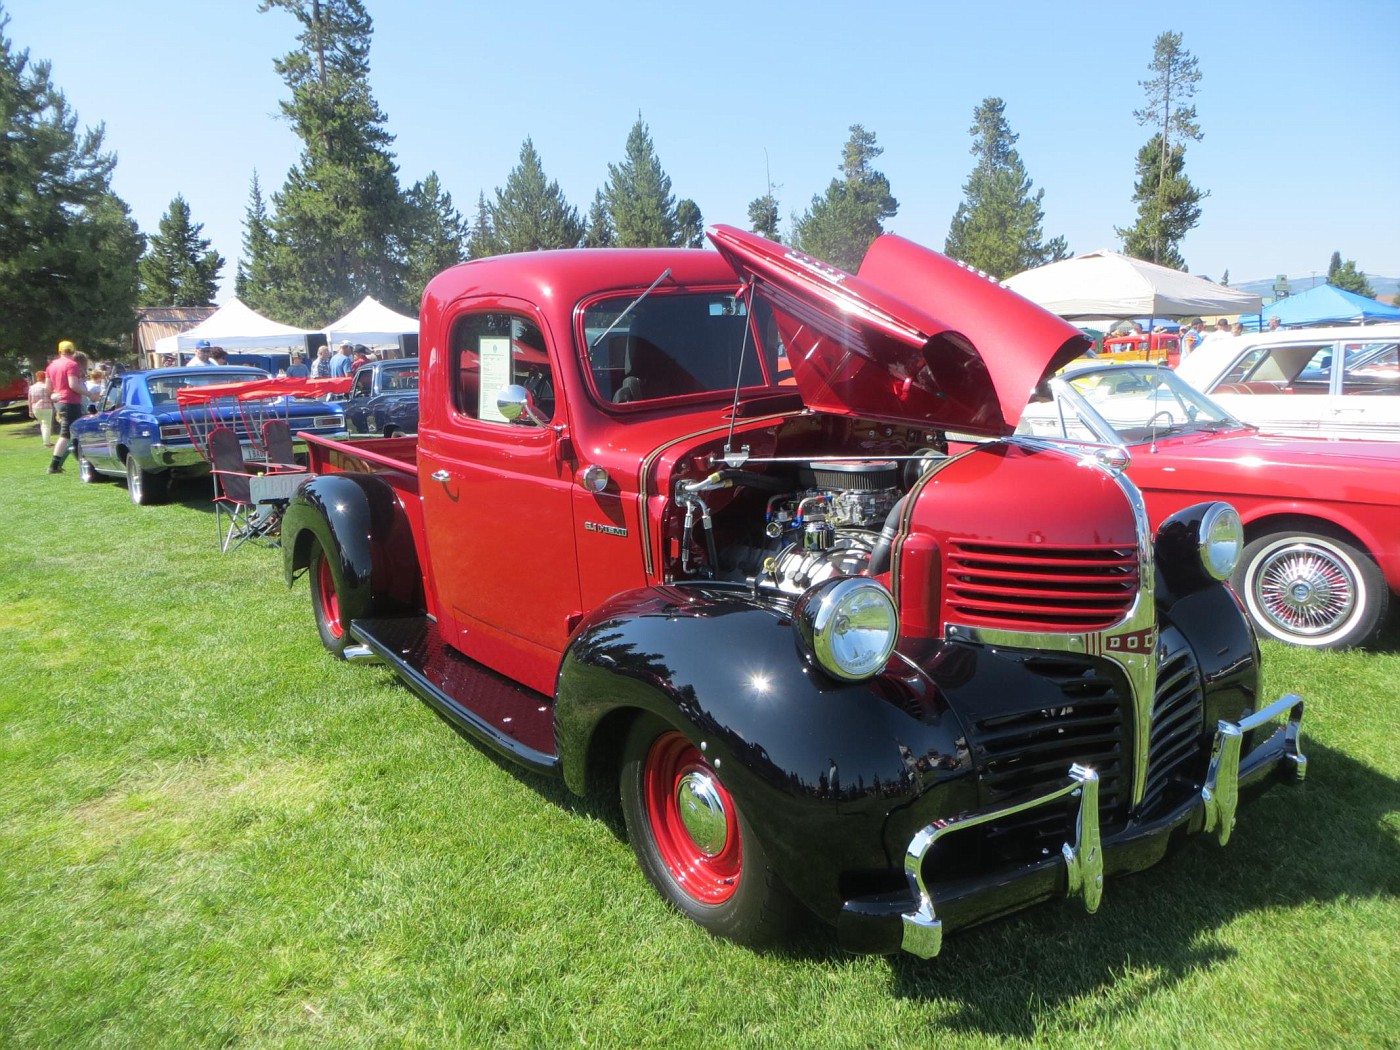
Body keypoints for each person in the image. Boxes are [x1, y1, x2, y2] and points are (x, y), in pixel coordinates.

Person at [45, 340, 86, 474]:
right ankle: (54, 465)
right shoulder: (72, 365)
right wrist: (89, 394)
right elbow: (73, 385)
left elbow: (48, 388)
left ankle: (64, 462)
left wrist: (52, 396)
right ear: (73, 351)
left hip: (59, 401)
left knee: (70, 433)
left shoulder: (51, 366)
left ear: (59, 352)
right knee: (67, 434)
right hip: (70, 401)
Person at [28, 371, 54, 447]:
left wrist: (30, 411)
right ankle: (47, 442)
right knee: (46, 425)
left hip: (35, 408)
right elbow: (51, 396)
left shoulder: (32, 387)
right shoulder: (46, 386)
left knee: (42, 424)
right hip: (46, 407)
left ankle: (45, 440)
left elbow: (29, 400)